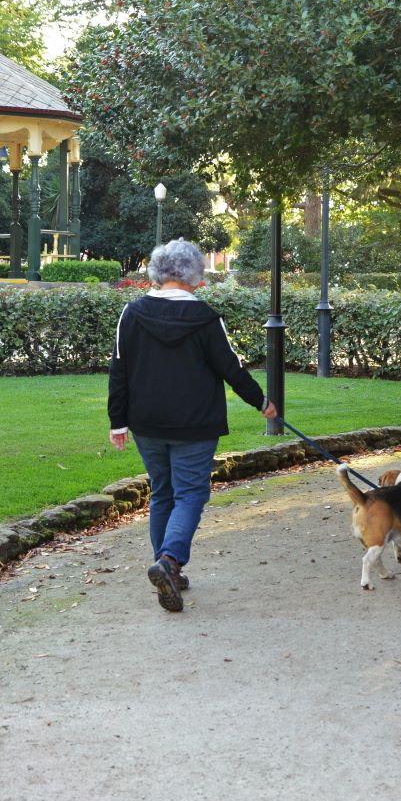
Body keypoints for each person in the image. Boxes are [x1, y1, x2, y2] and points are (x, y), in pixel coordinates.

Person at [108, 239, 276, 612]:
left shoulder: (131, 314)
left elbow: (118, 372)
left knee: (163, 493)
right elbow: (231, 368)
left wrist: (117, 422)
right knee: (191, 494)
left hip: (146, 424)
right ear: (194, 275)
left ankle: (166, 567)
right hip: (195, 424)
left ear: (158, 271)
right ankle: (169, 562)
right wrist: (261, 402)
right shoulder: (206, 318)